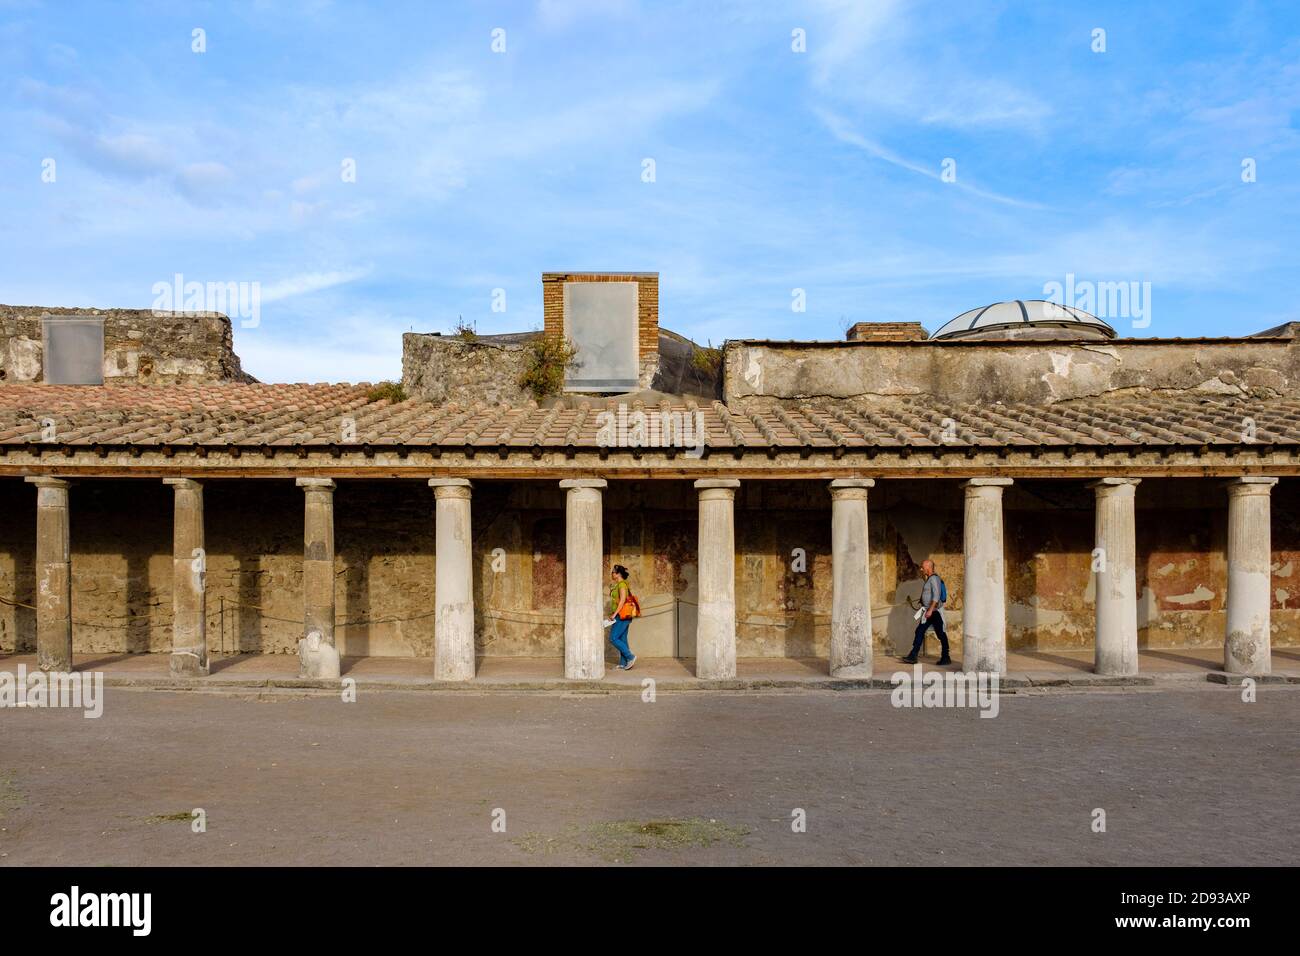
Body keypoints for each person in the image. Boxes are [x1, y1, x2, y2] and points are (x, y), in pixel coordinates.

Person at [902, 558, 951, 665]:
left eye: (922, 567)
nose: (921, 569)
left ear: (928, 567)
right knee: (920, 631)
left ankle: (946, 656)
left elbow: (936, 596)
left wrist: (930, 610)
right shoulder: (930, 579)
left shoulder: (934, 579)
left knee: (940, 633)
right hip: (929, 610)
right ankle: (913, 655)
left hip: (933, 611)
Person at [606, 564, 637, 670]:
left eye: (613, 572)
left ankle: (630, 657)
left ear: (618, 574)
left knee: (613, 638)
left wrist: (614, 614)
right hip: (621, 615)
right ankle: (624, 663)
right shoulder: (618, 584)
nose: (612, 574)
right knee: (622, 639)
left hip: (622, 615)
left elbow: (623, 600)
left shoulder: (622, 584)